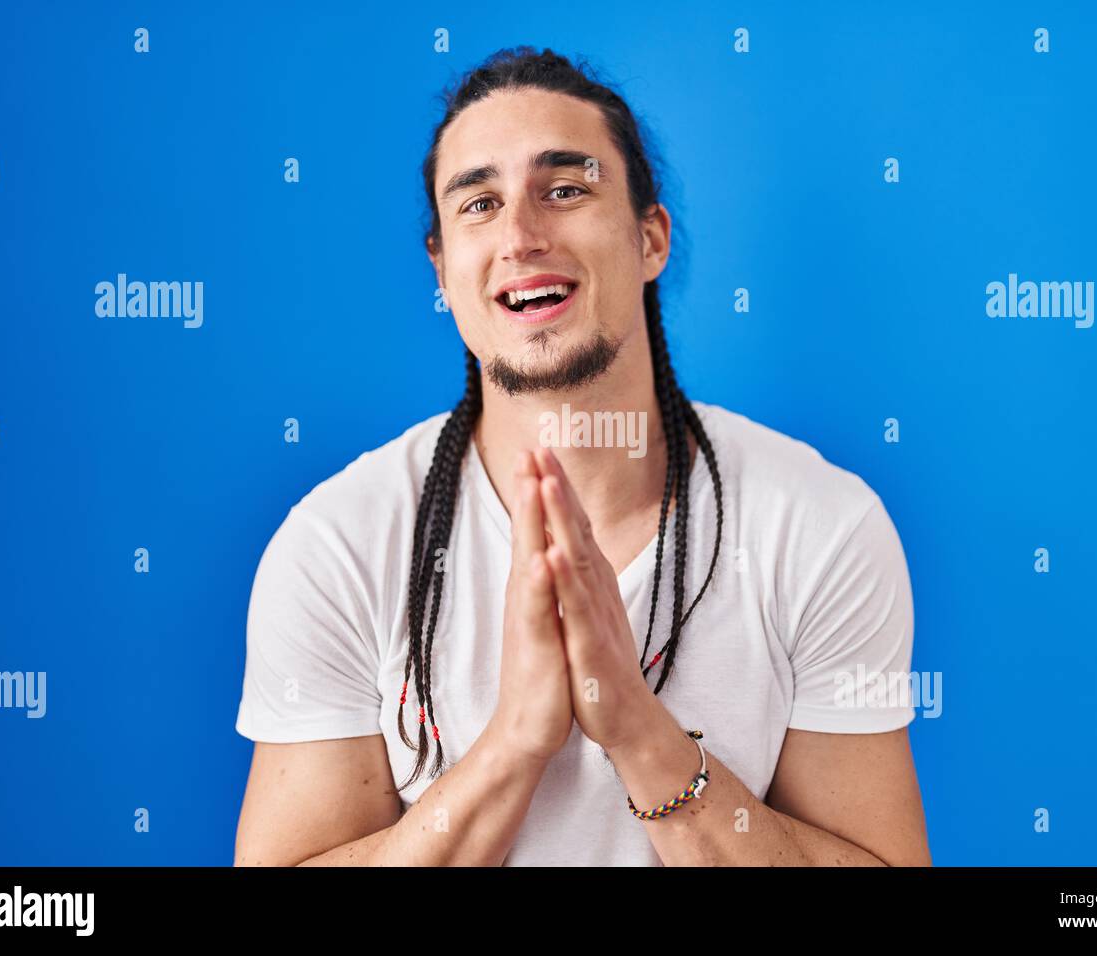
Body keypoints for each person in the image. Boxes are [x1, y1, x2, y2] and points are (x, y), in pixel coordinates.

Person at [233, 47, 931, 866]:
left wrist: (638, 731)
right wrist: (513, 746)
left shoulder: (823, 527)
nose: (521, 237)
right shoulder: (335, 546)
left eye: (565, 190)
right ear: (444, 272)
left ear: (650, 239)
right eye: (480, 205)